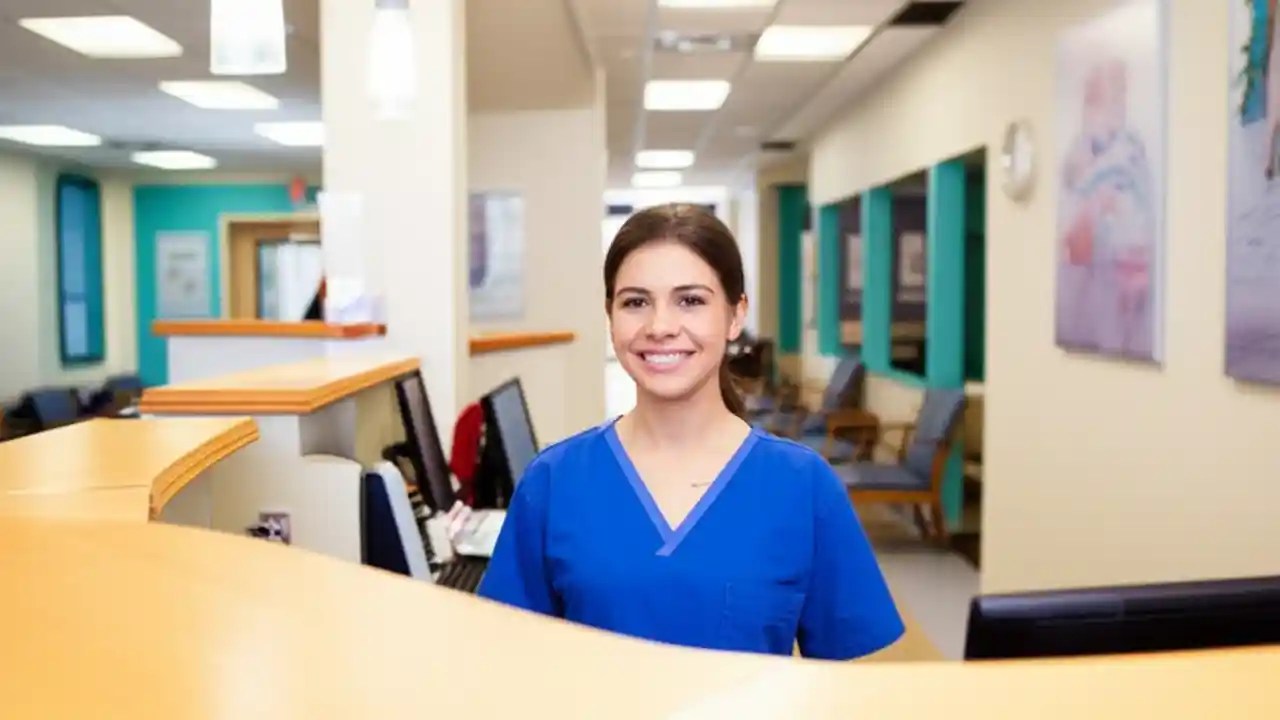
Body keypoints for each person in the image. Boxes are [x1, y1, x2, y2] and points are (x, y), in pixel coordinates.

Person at [476, 203, 904, 660]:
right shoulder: (554, 483)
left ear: (736, 315)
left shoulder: (802, 486)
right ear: (610, 315)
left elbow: (850, 685)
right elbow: (507, 664)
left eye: (691, 300)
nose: (660, 327)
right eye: (636, 302)